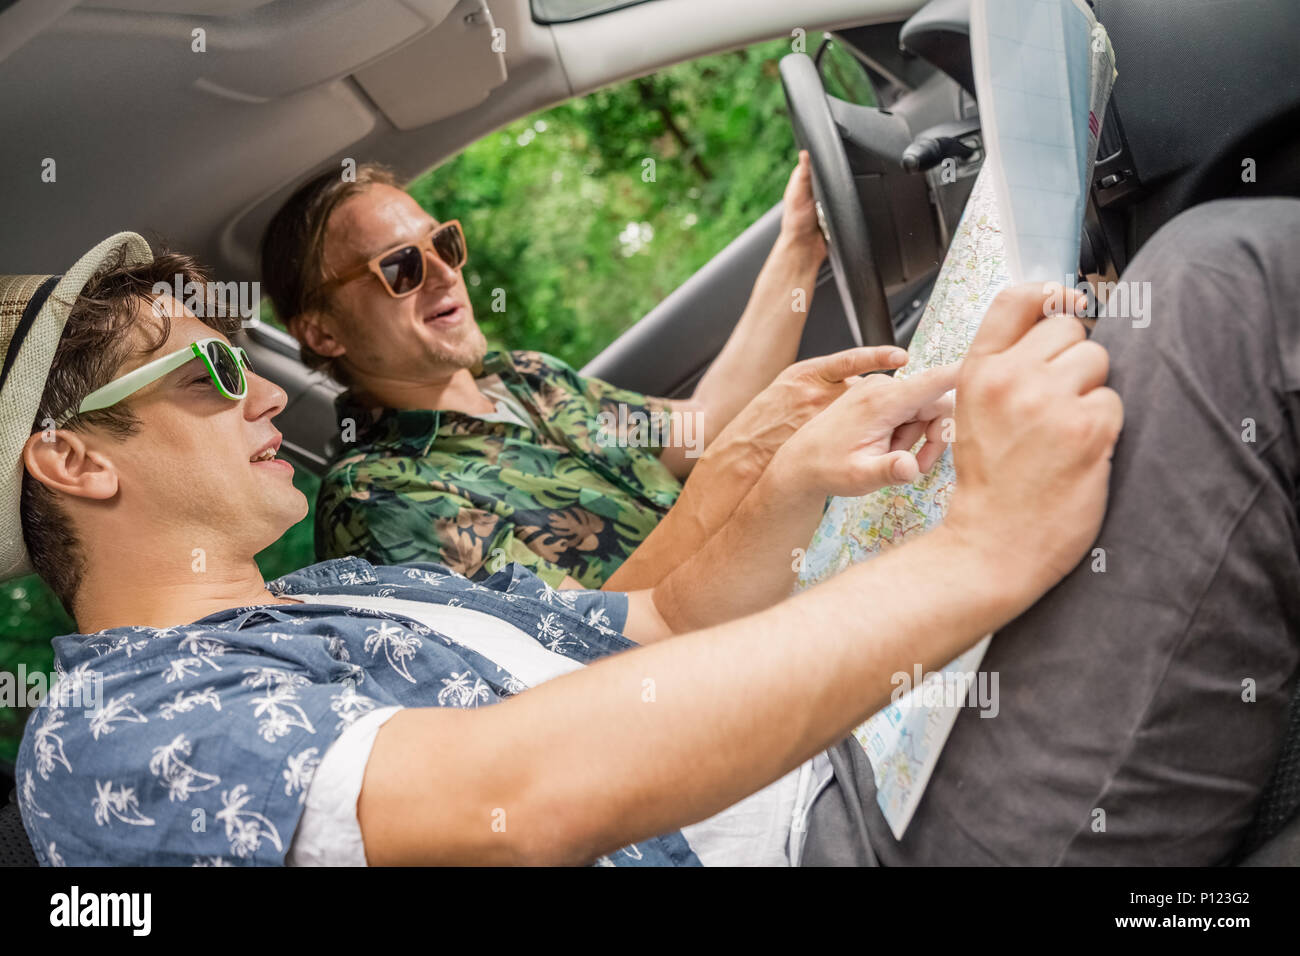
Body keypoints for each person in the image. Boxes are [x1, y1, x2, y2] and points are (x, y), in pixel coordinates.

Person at [6, 226, 1113, 865]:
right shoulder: (109, 731)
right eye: (209, 372)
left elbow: (663, 617)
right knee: (1220, 291)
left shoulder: (342, 589)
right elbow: (521, 798)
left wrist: (805, 466)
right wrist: (980, 546)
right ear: (75, 461)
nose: (261, 400)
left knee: (1113, 347)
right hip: (831, 835)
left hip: (839, 764)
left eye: (445, 245)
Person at [261, 157, 851, 591]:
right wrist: (746, 463)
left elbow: (704, 428)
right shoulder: (375, 498)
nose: (444, 273)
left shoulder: (527, 377)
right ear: (323, 332)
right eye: (401, 266)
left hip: (794, 590)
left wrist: (800, 244)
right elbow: (579, 644)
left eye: (443, 244)